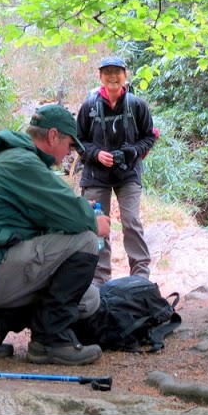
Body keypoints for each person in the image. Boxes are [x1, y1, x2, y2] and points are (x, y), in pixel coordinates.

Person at [0, 105, 109, 365]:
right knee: (85, 239)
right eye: (69, 146)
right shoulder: (22, 162)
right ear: (52, 136)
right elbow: (75, 216)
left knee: (89, 298)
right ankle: (50, 341)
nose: (68, 155)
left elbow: (52, 221)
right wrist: (96, 222)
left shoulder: (20, 160)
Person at [75, 56, 156, 285]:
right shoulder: (89, 105)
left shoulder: (136, 105)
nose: (112, 76)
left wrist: (132, 152)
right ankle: (99, 279)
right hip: (95, 174)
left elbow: (149, 136)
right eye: (107, 72)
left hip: (127, 172)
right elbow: (79, 140)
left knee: (131, 221)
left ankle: (140, 276)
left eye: (117, 72)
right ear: (100, 76)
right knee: (97, 223)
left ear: (125, 75)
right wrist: (96, 154)